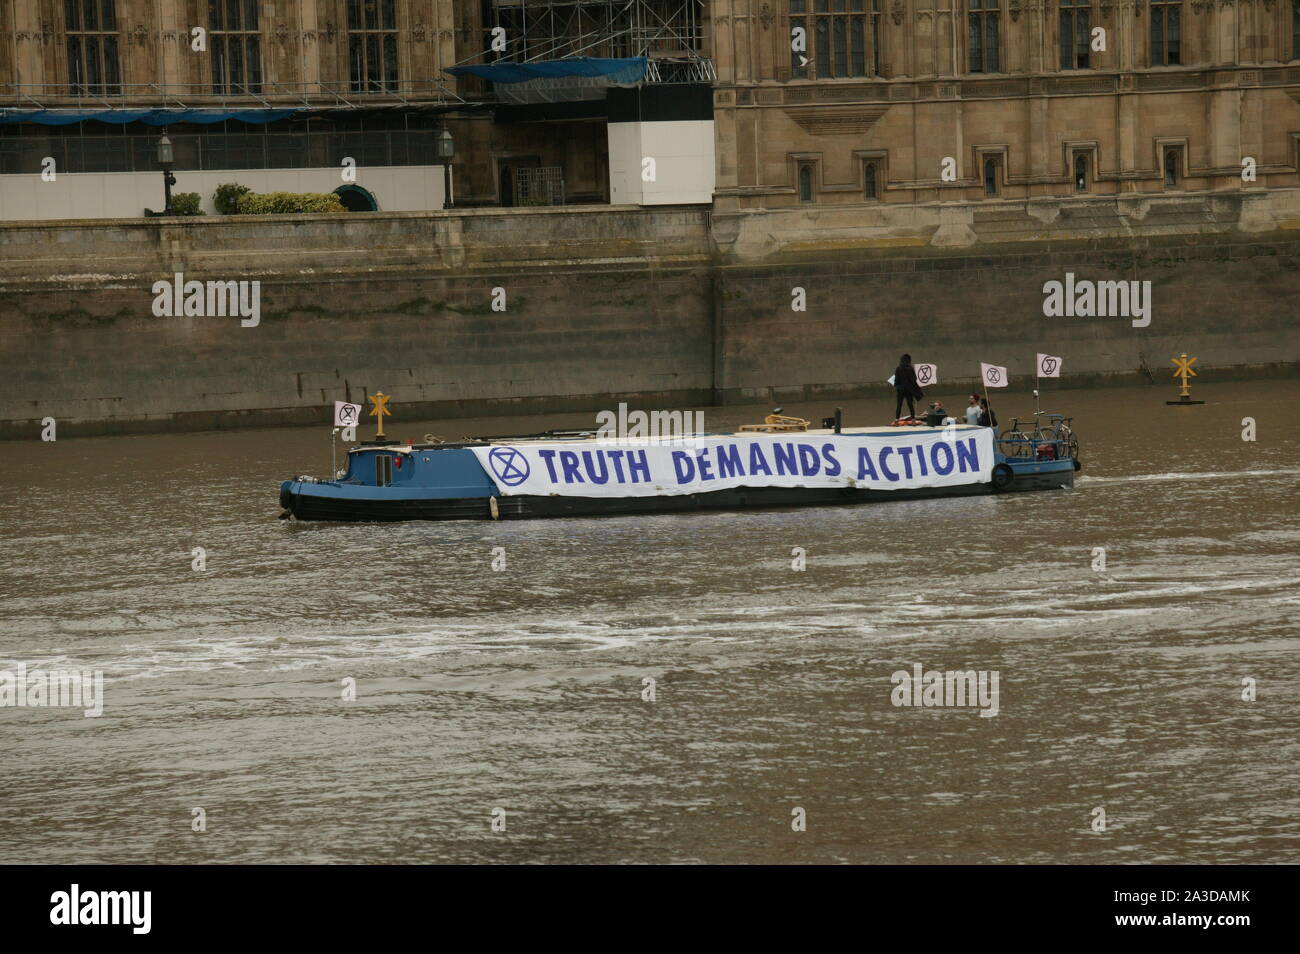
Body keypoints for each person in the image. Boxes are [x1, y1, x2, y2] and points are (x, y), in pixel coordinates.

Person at [893, 354, 923, 421]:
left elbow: (896, 379)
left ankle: (896, 420)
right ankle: (913, 419)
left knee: (899, 405)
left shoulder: (898, 368)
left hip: (900, 389)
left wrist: (896, 385)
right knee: (910, 405)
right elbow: (914, 379)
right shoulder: (910, 368)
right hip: (909, 389)